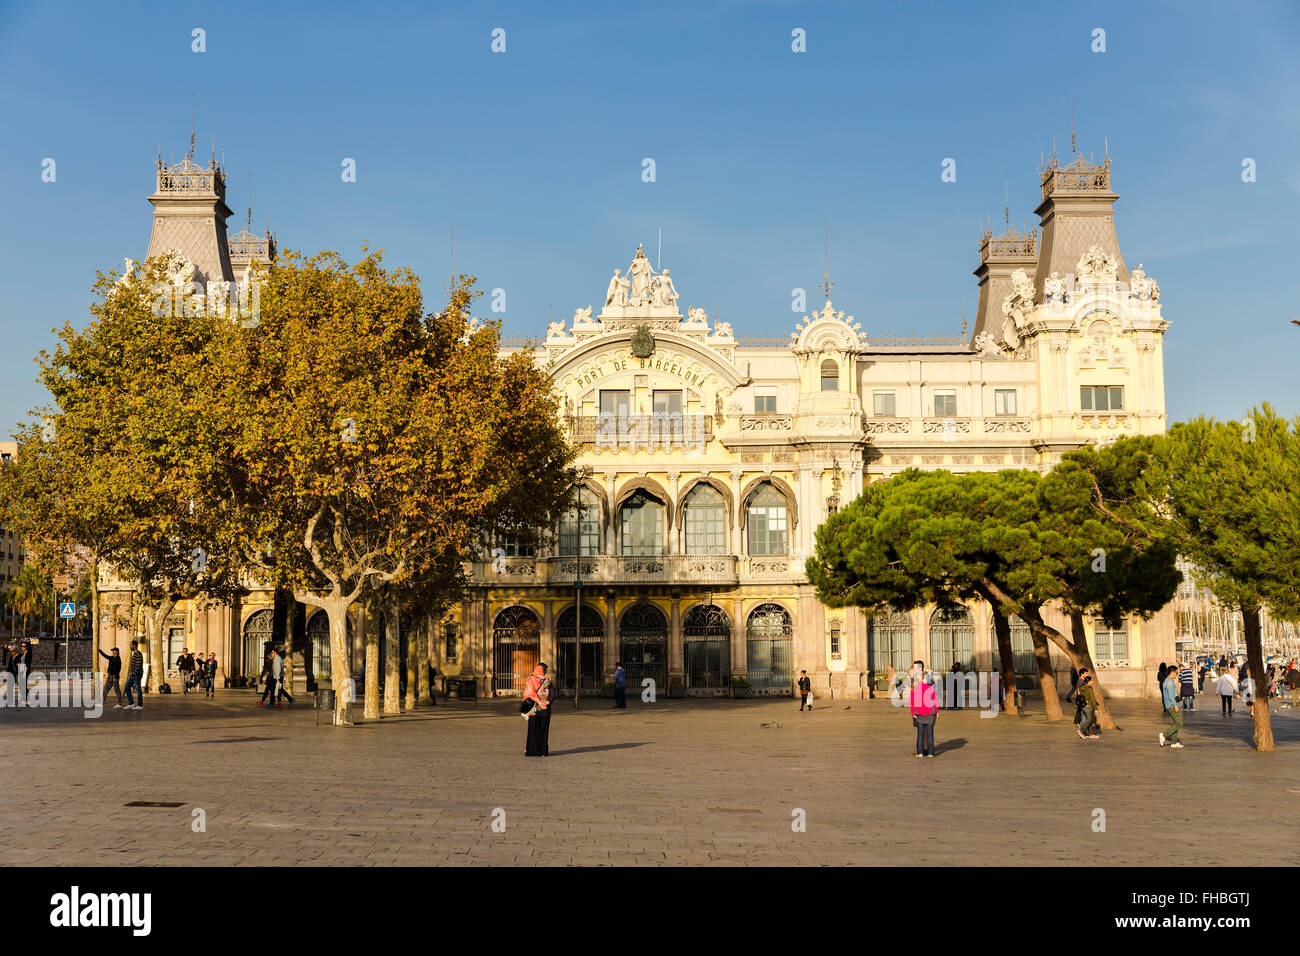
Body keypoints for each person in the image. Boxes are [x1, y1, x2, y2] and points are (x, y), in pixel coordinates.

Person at [523, 663, 554, 757]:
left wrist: (539, 702)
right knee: (544, 730)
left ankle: (533, 751)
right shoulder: (547, 681)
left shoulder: (531, 679)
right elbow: (552, 694)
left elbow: (531, 693)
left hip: (534, 708)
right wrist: (546, 703)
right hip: (545, 708)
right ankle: (543, 751)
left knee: (533, 730)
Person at [909, 660, 937, 757]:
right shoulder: (917, 677)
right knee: (921, 730)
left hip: (924, 709)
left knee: (924, 730)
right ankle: (922, 748)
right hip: (919, 708)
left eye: (914, 668)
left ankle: (924, 749)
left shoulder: (925, 678)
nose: (913, 669)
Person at [1159, 666, 1183, 748]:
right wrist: (1175, 705)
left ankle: (1174, 742)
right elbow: (1170, 695)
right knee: (1179, 723)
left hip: (1171, 704)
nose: (1177, 674)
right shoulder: (1169, 682)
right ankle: (1164, 735)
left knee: (1175, 723)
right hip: (1172, 705)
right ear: (1172, 672)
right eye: (1176, 673)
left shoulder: (1169, 680)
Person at [1077, 673, 1101, 739]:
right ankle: (1081, 731)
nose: (1092, 682)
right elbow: (1092, 698)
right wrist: (1096, 708)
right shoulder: (1089, 688)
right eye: (1091, 681)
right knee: (1090, 720)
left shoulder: (1081, 687)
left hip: (1083, 706)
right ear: (1089, 681)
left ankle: (1090, 734)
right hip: (1089, 706)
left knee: (1089, 720)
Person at [123, 640, 144, 710]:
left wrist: (133, 674)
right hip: (133, 675)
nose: (130, 646)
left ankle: (140, 705)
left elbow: (138, 666)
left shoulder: (138, 654)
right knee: (127, 688)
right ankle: (131, 703)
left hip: (136, 675)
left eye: (131, 645)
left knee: (138, 690)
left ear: (134, 646)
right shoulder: (134, 654)